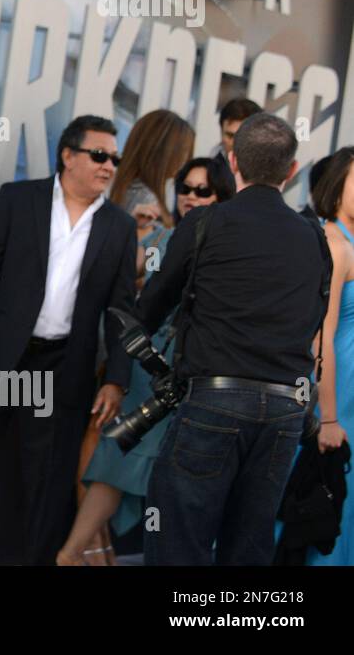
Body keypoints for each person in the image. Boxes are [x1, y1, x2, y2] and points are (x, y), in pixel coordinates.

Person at [0, 114, 137, 565]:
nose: (108, 166)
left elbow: (121, 312)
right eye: (99, 155)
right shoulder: (19, 199)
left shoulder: (119, 226)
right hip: (2, 359)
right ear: (68, 156)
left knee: (49, 488)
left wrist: (116, 378)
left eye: (114, 158)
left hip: (62, 368)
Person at [141, 114, 330, 565]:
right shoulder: (313, 235)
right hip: (285, 409)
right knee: (248, 548)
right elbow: (313, 317)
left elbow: (151, 306)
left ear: (231, 161)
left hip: (214, 402)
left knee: (177, 543)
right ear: (292, 169)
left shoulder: (206, 222)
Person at [57, 155, 234, 564]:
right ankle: (69, 553)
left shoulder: (227, 246)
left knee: (178, 475)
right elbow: (117, 278)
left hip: (198, 368)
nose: (191, 196)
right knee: (118, 459)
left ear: (221, 194)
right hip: (151, 367)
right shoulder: (160, 240)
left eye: (202, 190)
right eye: (185, 189)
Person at [306, 147, 354, 564]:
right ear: (337, 185)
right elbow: (323, 334)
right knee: (335, 494)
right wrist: (329, 417)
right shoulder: (333, 241)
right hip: (340, 391)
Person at [108, 109, 195, 287]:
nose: (186, 160)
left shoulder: (119, 185)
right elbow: (150, 264)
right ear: (164, 152)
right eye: (184, 151)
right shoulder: (148, 201)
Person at [209, 96, 262, 163]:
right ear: (221, 132)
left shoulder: (272, 170)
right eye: (230, 136)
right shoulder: (207, 169)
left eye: (242, 136)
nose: (234, 143)